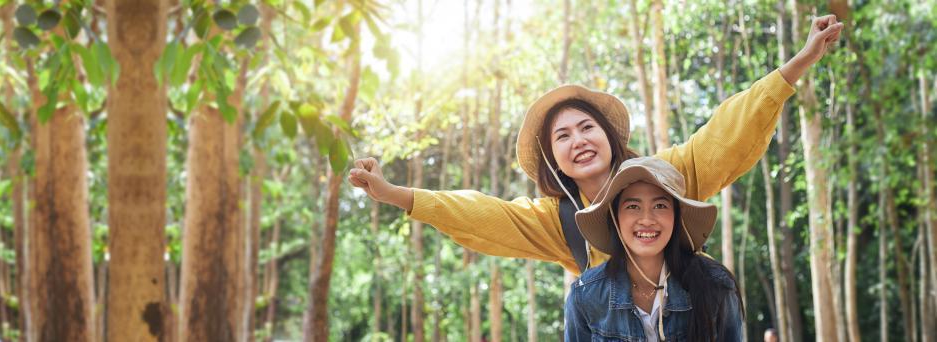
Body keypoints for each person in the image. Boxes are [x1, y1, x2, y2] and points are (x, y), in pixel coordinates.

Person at [348, 15, 844, 275]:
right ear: (552, 160)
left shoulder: (667, 173)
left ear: (608, 135)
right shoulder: (559, 224)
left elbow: (726, 133)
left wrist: (797, 63)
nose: (578, 141)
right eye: (561, 137)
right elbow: (480, 215)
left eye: (586, 128)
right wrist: (394, 194)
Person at [565, 157, 740, 341]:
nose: (647, 219)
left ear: (676, 216)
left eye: (660, 206)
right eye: (633, 206)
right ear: (616, 218)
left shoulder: (716, 286)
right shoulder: (585, 296)